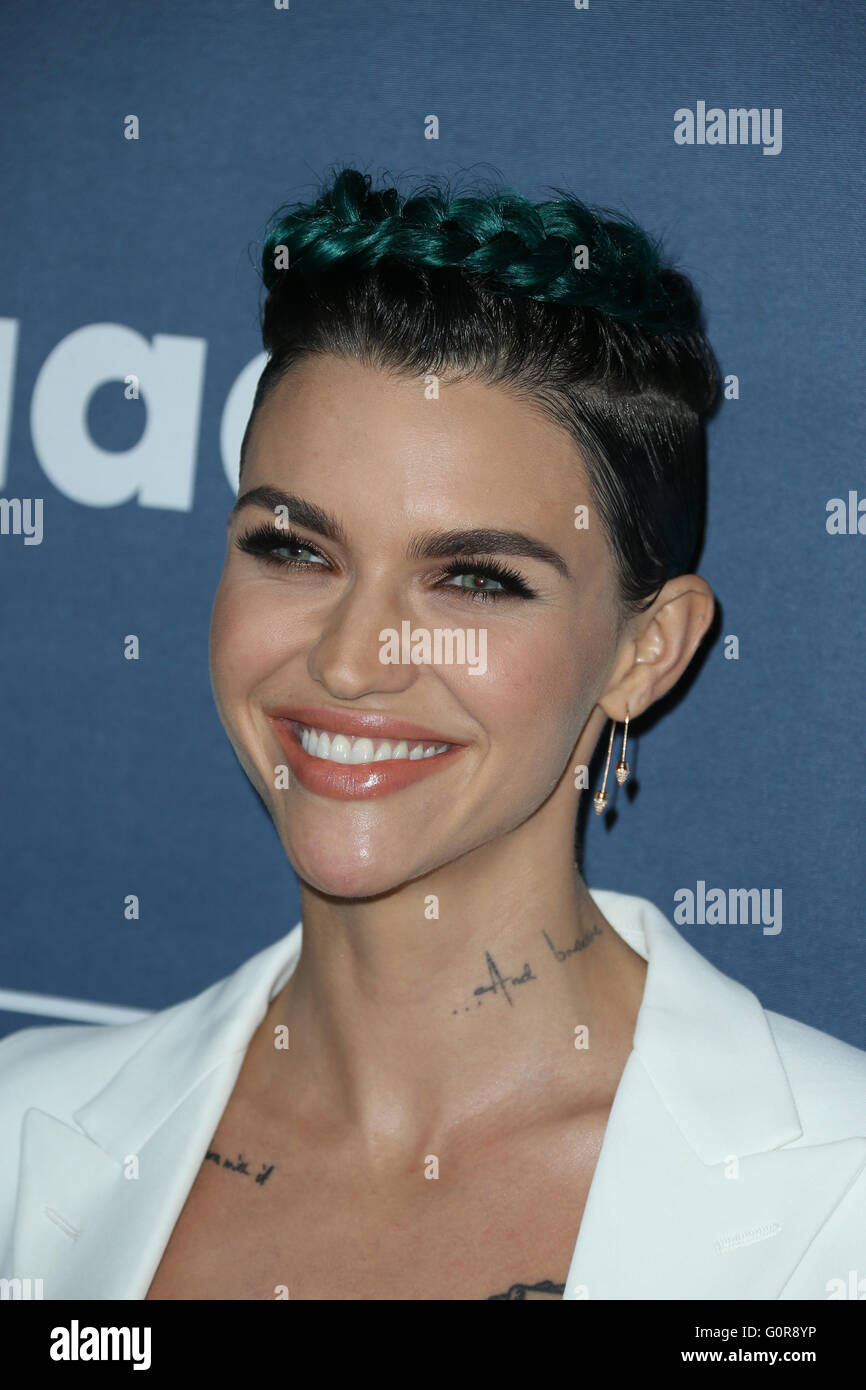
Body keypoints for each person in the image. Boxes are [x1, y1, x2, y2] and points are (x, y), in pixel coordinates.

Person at [1, 167, 863, 1301]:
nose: (351, 660)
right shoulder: (22, 1138)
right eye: (295, 549)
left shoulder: (835, 1201)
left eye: (472, 579)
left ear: (643, 651)